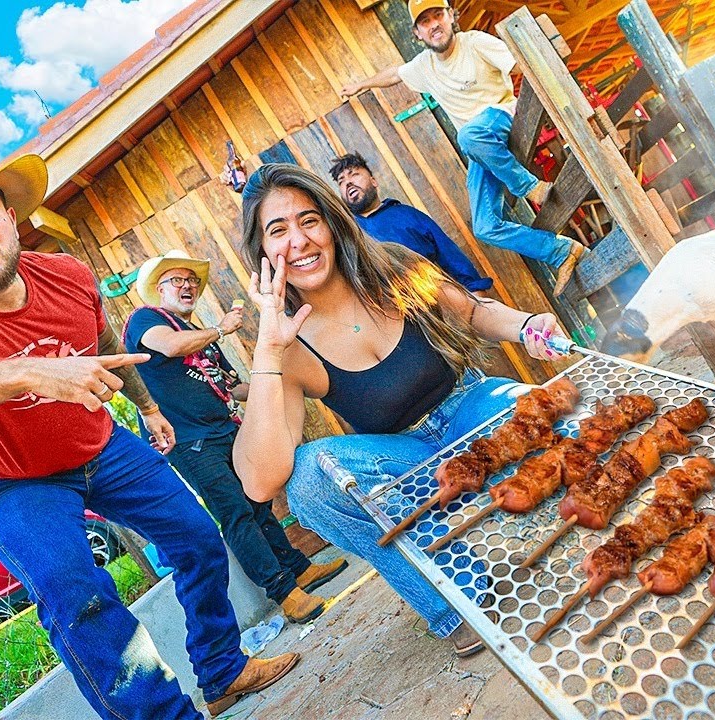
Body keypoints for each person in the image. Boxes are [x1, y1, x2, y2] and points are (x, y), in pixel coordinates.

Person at [0, 122, 297, 719]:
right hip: (6, 478)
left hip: (102, 447)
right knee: (79, 598)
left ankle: (222, 669)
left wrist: (146, 407)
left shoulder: (67, 276)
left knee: (197, 536)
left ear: (10, 217)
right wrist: (22, 373)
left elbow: (104, 340)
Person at [228, 163, 570, 657]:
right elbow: (261, 483)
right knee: (307, 484)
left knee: (558, 421)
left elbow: (474, 312)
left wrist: (527, 326)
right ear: (262, 251)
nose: (299, 241)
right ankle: (455, 600)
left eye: (309, 220)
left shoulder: (392, 265)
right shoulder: (288, 345)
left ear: (331, 223)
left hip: (473, 412)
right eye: (277, 230)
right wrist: (267, 349)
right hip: (407, 467)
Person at [124, 250, 349, 624]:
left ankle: (299, 570)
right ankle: (284, 593)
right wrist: (221, 328)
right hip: (190, 441)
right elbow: (170, 346)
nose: (187, 286)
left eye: (191, 281)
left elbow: (234, 387)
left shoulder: (202, 339)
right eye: (177, 280)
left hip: (225, 429)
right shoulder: (146, 319)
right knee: (235, 513)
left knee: (258, 504)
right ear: (159, 289)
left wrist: (279, 377)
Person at [339, 0, 587, 297]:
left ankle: (529, 186)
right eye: (425, 21)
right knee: (485, 227)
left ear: (451, 16)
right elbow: (394, 74)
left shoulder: (475, 43)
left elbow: (518, 62)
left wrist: (548, 68)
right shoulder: (424, 66)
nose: (434, 25)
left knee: (469, 135)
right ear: (417, 33)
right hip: (478, 147)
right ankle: (562, 252)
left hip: (501, 119)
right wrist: (360, 85)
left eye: (438, 15)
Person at [329, 152, 493, 296]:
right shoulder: (344, 234)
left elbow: (450, 255)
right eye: (341, 181)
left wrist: (475, 291)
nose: (348, 183)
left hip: (432, 300)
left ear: (373, 181)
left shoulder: (408, 215)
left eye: (354, 174)